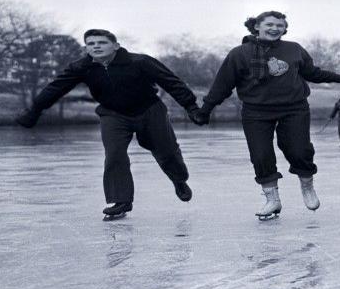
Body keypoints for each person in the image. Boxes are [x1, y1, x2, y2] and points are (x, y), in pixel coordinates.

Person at [14, 29, 204, 219]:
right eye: (91, 43)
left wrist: (191, 107)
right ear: (86, 48)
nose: (96, 46)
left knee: (166, 150)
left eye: (102, 42)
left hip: (149, 110)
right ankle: (121, 200)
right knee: (114, 154)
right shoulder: (81, 67)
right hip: (113, 114)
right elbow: (56, 88)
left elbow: (171, 82)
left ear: (116, 46)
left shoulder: (140, 61)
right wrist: (35, 110)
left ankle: (179, 180)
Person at [193, 10, 340, 220]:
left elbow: (313, 73)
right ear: (257, 26)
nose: (275, 29)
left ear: (285, 29)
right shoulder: (239, 54)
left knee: (299, 150)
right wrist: (206, 109)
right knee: (261, 155)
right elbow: (222, 85)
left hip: (294, 108)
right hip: (256, 110)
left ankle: (307, 186)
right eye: (269, 24)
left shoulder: (294, 49)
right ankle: (272, 199)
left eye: (280, 26)